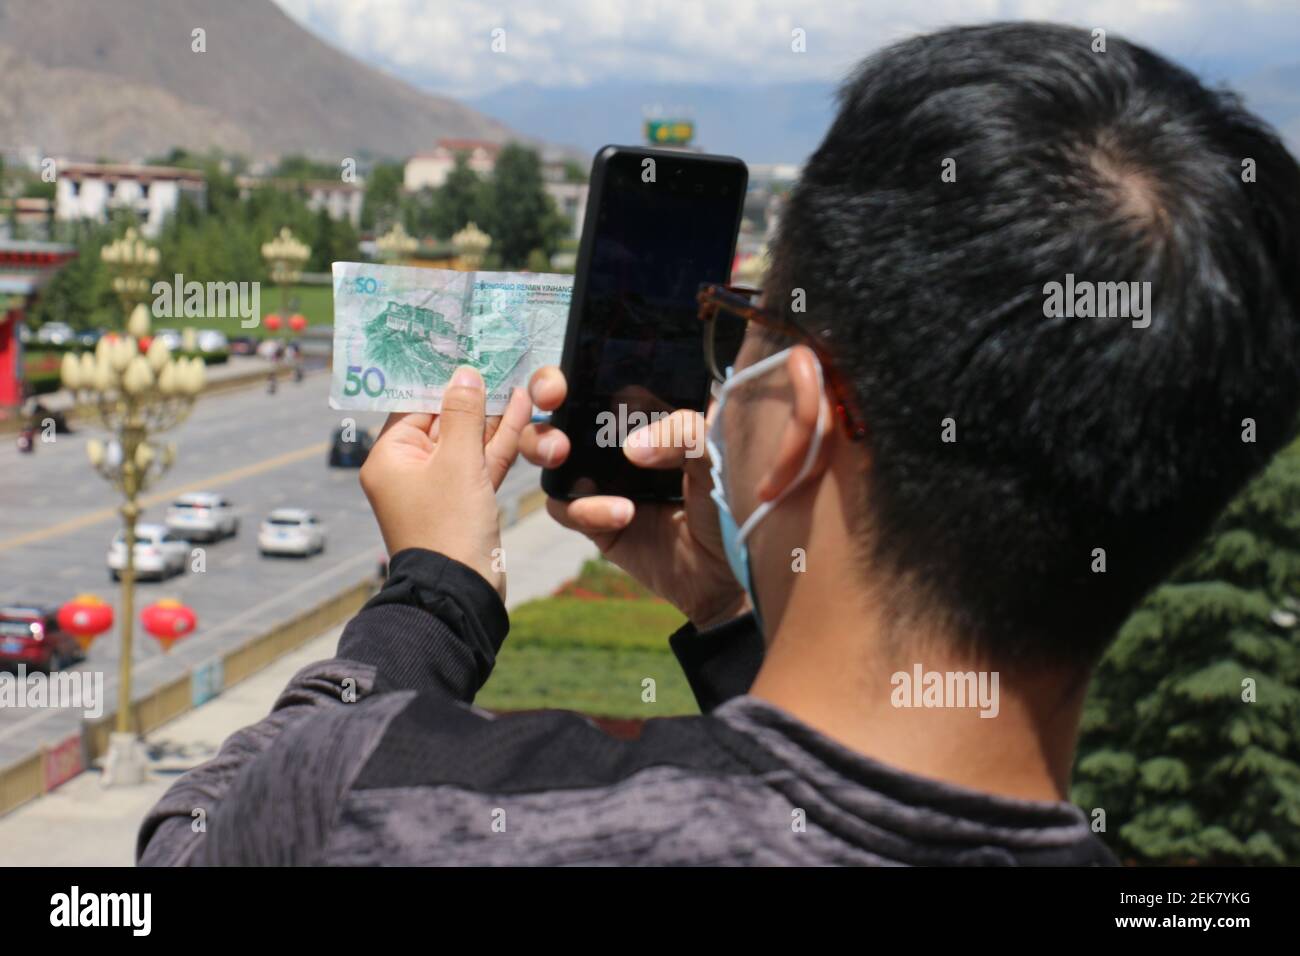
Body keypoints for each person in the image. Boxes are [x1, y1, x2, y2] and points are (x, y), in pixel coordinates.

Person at [138, 22, 1300, 866]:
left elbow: (190, 841)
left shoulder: (401, 812)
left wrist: (434, 595)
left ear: (791, 422)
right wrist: (737, 613)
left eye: (741, 329)